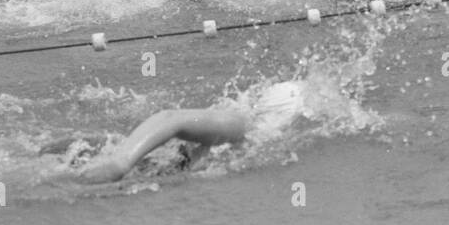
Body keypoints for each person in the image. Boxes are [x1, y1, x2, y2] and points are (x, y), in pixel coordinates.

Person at [73, 81, 306, 184]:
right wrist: (119, 164)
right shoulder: (242, 128)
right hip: (136, 159)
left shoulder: (250, 143)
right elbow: (170, 117)